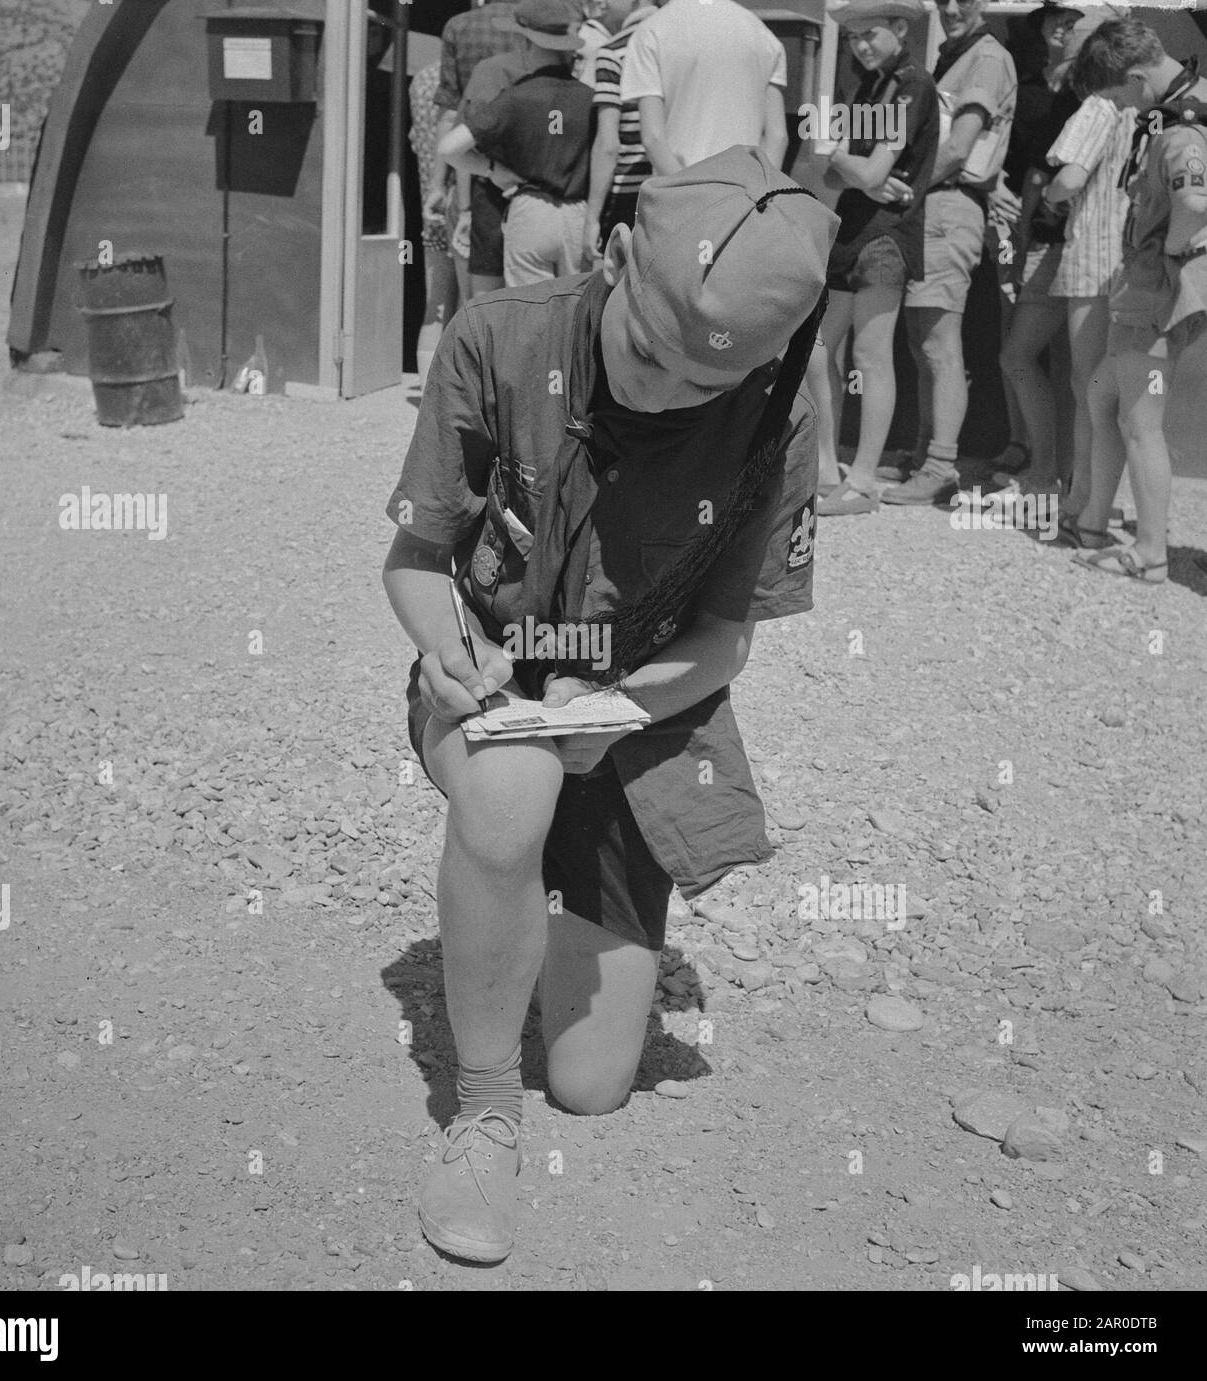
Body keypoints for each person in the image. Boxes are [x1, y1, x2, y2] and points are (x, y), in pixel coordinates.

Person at [382, 144, 837, 1263]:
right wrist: (449, 654)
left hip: (639, 710)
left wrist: (618, 707)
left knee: (591, 1088)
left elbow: (725, 640)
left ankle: (528, 921)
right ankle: (481, 1109)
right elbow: (412, 558)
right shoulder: (497, 333)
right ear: (617, 252)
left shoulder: (779, 410)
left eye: (703, 383)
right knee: (509, 782)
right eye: (646, 350)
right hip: (505, 665)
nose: (661, 391)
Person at [1066, 18, 1207, 582]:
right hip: (1149, 294)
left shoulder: (1180, 127)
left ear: (1136, 77)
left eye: (1119, 95)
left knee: (1139, 422)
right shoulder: (1178, 107)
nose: (1121, 107)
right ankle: (1093, 521)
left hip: (1153, 295)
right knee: (1103, 395)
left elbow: (1194, 204)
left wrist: (1168, 254)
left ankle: (1150, 552)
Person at [880, 0, 1016, 505]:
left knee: (939, 344)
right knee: (922, 344)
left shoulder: (984, 57)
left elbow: (959, 148)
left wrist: (892, 186)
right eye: (943, 0)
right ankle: (923, 455)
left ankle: (941, 466)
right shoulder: (954, 54)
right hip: (932, 207)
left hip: (947, 206)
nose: (952, 7)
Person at [813, 0, 939, 518]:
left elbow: (862, 171)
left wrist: (839, 157)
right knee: (816, 350)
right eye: (854, 36)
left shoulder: (914, 85)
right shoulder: (864, 87)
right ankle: (825, 468)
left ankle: (863, 483)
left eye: (871, 34)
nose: (861, 44)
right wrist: (846, 164)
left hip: (887, 236)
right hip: (851, 231)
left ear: (901, 28)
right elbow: (834, 175)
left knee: (870, 356)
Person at [1038, 4, 1136, 546]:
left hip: (1092, 258)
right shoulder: (1140, 107)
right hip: (1129, 260)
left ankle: (1082, 509)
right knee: (1115, 392)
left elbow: (1070, 178)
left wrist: (1051, 198)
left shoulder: (1098, 107)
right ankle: (1100, 506)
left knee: (1087, 387)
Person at [987, 2, 1083, 501]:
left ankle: (1060, 470)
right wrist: (991, 187)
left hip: (1065, 229)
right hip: (1015, 221)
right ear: (1041, 25)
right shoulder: (1019, 81)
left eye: (1071, 20)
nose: (1062, 27)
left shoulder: (1089, 89)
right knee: (1015, 331)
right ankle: (1022, 445)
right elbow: (995, 144)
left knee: (1067, 354)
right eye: (1054, 19)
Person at [440, 0, 595, 287]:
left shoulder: (515, 99)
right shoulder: (589, 98)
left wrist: (491, 169)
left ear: (526, 43)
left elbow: (449, 148)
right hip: (578, 214)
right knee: (575, 314)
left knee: (531, 316)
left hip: (530, 213)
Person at [619, 0, 789, 176]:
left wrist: (691, 190)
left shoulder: (651, 30)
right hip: (747, 192)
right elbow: (778, 136)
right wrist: (763, 190)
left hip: (680, 194)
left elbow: (653, 138)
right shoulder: (763, 34)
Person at [434, 1, 531, 301]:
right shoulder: (533, 26)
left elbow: (451, 116)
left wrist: (437, 184)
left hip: (474, 176)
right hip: (534, 175)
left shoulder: (459, 26)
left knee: (477, 304)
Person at [582, 0, 658, 265]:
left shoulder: (614, 51)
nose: (601, 3)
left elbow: (608, 144)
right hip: (683, 188)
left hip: (628, 196)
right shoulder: (687, 41)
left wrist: (591, 218)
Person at [410, 59, 468, 390]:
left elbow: (417, 139)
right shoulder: (473, 79)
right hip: (463, 205)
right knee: (468, 304)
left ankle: (426, 392)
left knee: (436, 303)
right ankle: (457, 390)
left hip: (431, 205)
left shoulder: (421, 78)